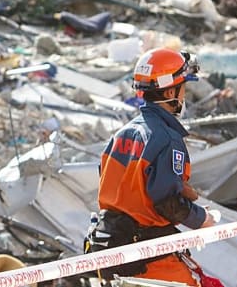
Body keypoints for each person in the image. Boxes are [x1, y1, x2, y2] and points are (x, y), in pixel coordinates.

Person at [87, 48, 216, 286]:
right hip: (148, 257)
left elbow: (120, 188)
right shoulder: (167, 139)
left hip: (111, 248)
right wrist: (202, 218)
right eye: (183, 88)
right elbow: (167, 203)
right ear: (170, 92)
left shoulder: (122, 134)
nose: (184, 96)